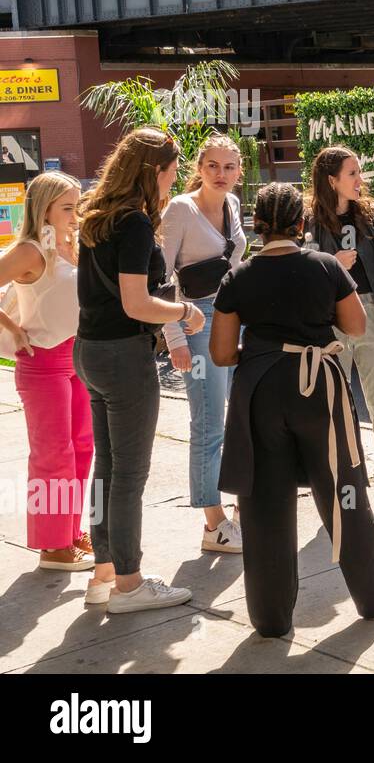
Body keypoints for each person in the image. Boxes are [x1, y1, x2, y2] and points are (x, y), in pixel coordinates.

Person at [208, 183, 374, 638]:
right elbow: (356, 326)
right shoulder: (324, 267)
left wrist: (264, 351)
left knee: (263, 505)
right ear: (301, 224)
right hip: (319, 386)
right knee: (346, 491)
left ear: (256, 226)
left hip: (260, 390)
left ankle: (270, 617)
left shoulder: (237, 277)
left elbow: (221, 354)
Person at [75, 128, 205, 612]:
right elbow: (137, 303)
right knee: (128, 474)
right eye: (173, 170)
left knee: (106, 470)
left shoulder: (97, 215)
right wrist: (184, 313)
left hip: (89, 350)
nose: (175, 180)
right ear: (155, 170)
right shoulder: (132, 222)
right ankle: (129, 583)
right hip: (121, 357)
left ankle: (104, 573)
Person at [305, 146, 374, 517]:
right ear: (331, 180)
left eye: (359, 172)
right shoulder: (311, 222)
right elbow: (298, 274)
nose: (359, 180)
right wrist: (330, 264)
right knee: (333, 408)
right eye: (352, 173)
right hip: (331, 319)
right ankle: (344, 483)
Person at [0, 171, 93, 571]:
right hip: (42, 363)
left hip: (79, 357)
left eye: (78, 206)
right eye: (68, 208)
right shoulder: (30, 251)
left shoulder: (71, 245)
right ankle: (52, 547)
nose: (75, 215)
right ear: (44, 208)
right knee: (52, 455)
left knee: (83, 449)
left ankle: (70, 533)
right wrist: (10, 326)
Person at [161, 133, 247, 555]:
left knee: (238, 418)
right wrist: (174, 336)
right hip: (196, 321)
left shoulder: (232, 206)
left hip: (234, 318)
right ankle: (213, 523)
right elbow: (160, 279)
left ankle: (237, 508)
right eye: (212, 165)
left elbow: (236, 267)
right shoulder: (180, 209)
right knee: (208, 422)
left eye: (229, 166)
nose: (221, 174)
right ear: (198, 168)